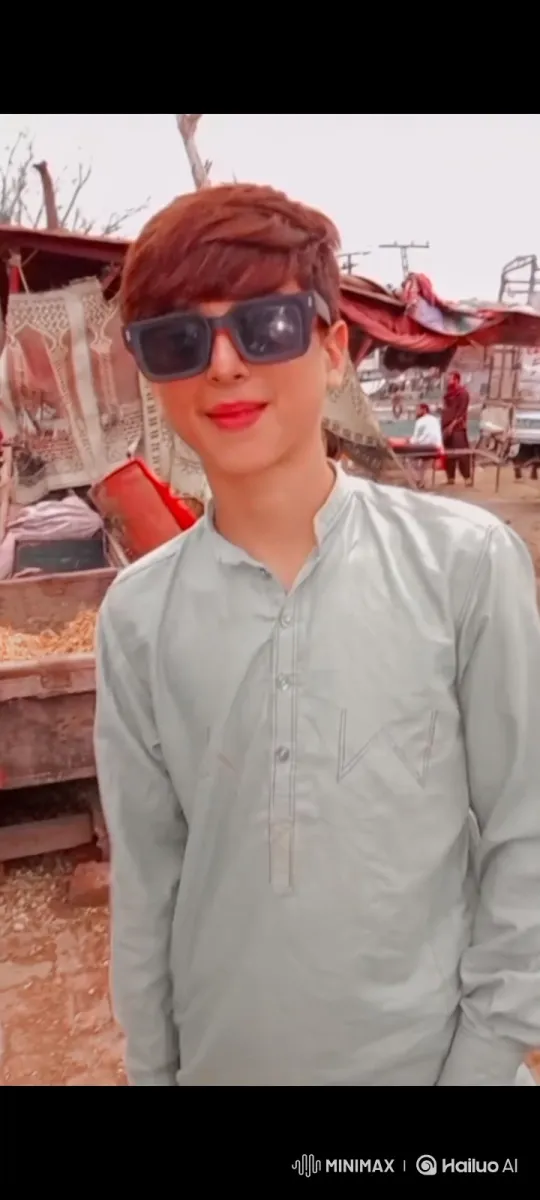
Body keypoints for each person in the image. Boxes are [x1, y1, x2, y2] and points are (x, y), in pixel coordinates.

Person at [94, 182, 540, 1087]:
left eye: (266, 327)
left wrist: (488, 1059)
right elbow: (149, 887)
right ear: (152, 372)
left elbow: (523, 834)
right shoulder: (138, 619)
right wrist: (154, 1071)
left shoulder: (465, 566)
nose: (224, 365)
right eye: (180, 339)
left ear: (334, 348)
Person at [441, 369, 472, 484]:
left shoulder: (463, 393)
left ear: (456, 380)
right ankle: (450, 477)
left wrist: (452, 425)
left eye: (450, 378)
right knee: (448, 454)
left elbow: (461, 411)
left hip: (457, 428)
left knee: (461, 453)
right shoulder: (448, 393)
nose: (448, 380)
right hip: (445, 426)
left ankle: (467, 478)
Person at [408, 401, 442, 488]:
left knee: (408, 461)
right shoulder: (435, 420)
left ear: (424, 410)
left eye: (418, 410)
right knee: (424, 464)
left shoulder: (420, 421)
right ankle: (421, 482)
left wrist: (409, 441)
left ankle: (418, 480)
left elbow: (416, 438)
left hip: (423, 447)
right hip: (435, 447)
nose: (416, 412)